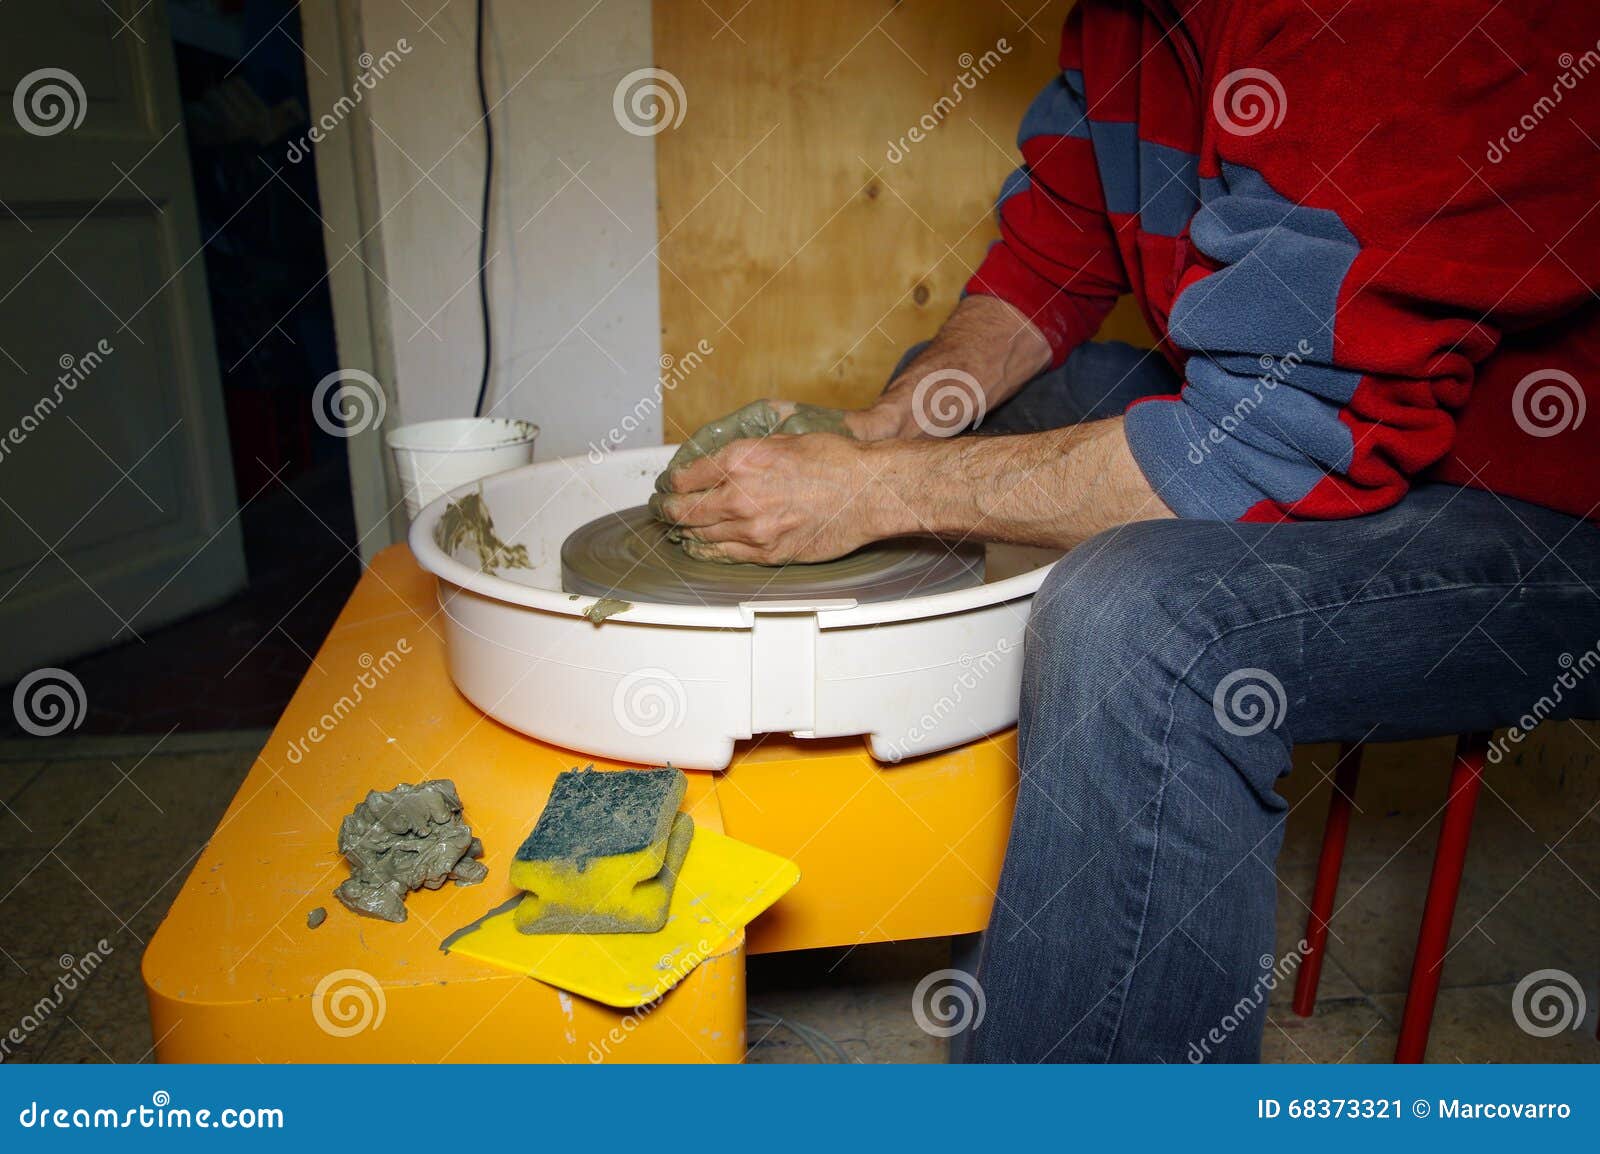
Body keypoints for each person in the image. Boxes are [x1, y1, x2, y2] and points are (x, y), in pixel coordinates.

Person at [652, 0, 1600, 1060]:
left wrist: (875, 492)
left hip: (1543, 503)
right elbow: (1050, 258)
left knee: (1141, 623)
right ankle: (1006, 900)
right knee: (962, 403)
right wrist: (886, 432)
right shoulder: (1122, 19)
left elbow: (1268, 442)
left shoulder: (1378, 26)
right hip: (1330, 407)